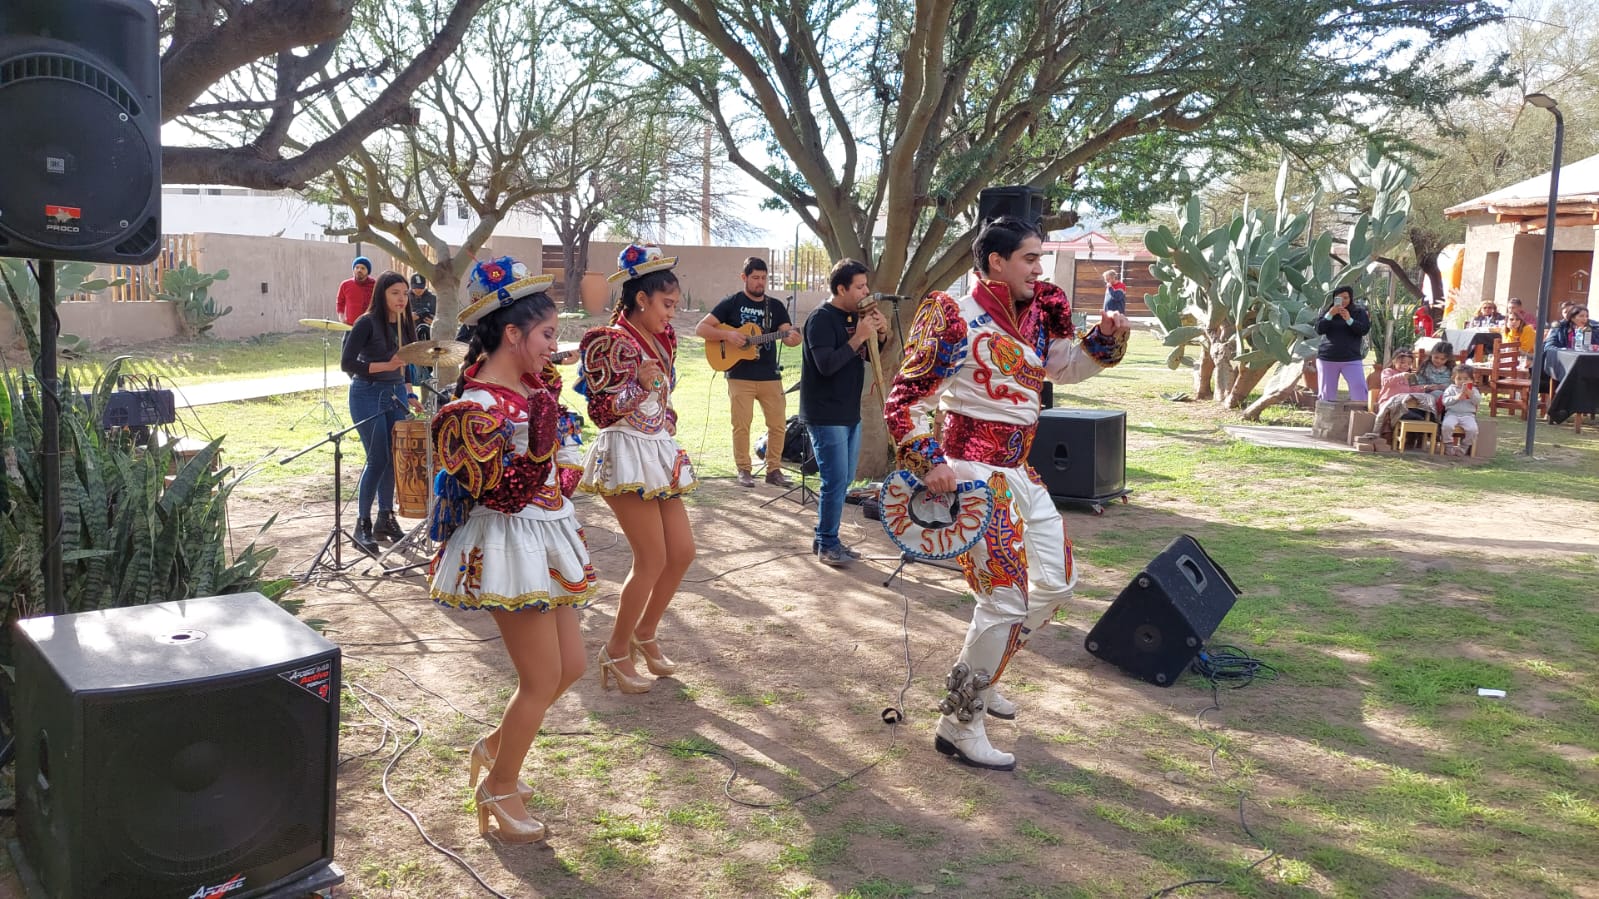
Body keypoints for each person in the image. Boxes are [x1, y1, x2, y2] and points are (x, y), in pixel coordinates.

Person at [884, 216, 1130, 770]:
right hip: (972, 475)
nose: (1040, 268)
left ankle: (983, 673)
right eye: (1030, 258)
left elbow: (1062, 370)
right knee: (1004, 599)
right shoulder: (952, 314)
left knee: (1060, 582)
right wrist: (930, 463)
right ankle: (959, 723)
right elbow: (905, 400)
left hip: (1022, 469)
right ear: (996, 261)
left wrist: (1104, 339)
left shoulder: (1039, 309)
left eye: (1040, 258)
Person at [429, 257, 596, 844]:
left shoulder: (535, 392)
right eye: (548, 334)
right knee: (541, 674)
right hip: (507, 543)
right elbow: (500, 494)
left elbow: (566, 468)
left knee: (571, 666)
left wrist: (555, 449)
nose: (556, 346)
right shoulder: (472, 409)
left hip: (547, 533)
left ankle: (494, 749)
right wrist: (543, 446)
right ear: (512, 334)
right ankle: (499, 785)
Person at [578, 243, 698, 694]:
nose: (673, 313)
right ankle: (615, 648)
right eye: (667, 304)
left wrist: (665, 421)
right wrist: (640, 388)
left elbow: (659, 399)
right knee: (651, 558)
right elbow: (604, 412)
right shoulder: (605, 340)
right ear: (641, 298)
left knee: (681, 553)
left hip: (656, 450)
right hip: (624, 452)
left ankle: (644, 633)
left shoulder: (661, 338)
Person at [799, 258, 890, 567]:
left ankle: (826, 537)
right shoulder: (821, 319)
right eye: (860, 286)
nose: (866, 291)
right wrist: (859, 337)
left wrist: (880, 334)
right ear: (841, 288)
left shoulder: (855, 317)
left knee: (846, 478)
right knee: (834, 480)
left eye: (866, 285)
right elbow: (826, 365)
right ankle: (827, 543)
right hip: (825, 413)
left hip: (849, 411)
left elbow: (865, 356)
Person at [696, 257, 803, 488]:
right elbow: (701, 328)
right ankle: (743, 469)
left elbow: (788, 334)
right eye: (755, 278)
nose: (760, 282)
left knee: (777, 425)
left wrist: (794, 336)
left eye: (764, 278)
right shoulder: (731, 303)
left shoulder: (774, 307)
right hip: (739, 376)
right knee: (741, 425)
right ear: (744, 277)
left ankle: (774, 470)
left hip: (770, 376)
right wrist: (729, 336)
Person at [340, 270, 420, 555]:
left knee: (393, 458)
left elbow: (407, 362)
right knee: (377, 458)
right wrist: (386, 366)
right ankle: (362, 524)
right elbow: (347, 364)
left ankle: (385, 518)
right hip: (367, 391)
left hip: (396, 391)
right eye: (395, 293)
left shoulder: (405, 323)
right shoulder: (366, 323)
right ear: (382, 294)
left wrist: (410, 393)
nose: (401, 299)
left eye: (405, 293)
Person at [1314, 286, 1370, 403]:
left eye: (1346, 297)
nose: (1343, 301)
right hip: (1328, 359)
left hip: (1351, 358)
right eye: (1338, 298)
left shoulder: (1358, 312)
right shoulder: (1327, 312)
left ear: (1351, 298)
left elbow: (1363, 330)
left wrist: (1349, 320)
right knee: (1326, 395)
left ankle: (1359, 418)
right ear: (1334, 299)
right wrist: (1330, 315)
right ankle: (1326, 420)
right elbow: (1319, 329)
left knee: (1359, 389)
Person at [1439, 367, 1481, 456]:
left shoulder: (1474, 390)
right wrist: (1456, 397)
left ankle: (1464, 447)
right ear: (1453, 379)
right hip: (1452, 414)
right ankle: (1449, 445)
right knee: (1447, 426)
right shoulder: (1451, 389)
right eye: (1459, 378)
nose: (1462, 381)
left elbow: (1477, 401)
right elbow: (1445, 401)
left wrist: (1470, 395)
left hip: (1468, 415)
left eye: (1466, 379)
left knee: (1473, 429)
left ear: (1472, 380)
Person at [336, 256, 376, 325]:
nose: (359, 270)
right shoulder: (345, 285)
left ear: (368, 271)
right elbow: (340, 303)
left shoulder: (375, 285)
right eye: (357, 267)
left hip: (370, 325)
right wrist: (341, 318)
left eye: (363, 268)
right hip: (350, 326)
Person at [409, 273, 438, 340]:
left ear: (425, 286)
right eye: (415, 288)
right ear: (411, 286)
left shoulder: (433, 298)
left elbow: (441, 318)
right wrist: (409, 318)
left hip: (430, 334)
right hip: (410, 334)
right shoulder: (405, 298)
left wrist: (434, 323)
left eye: (421, 288)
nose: (418, 290)